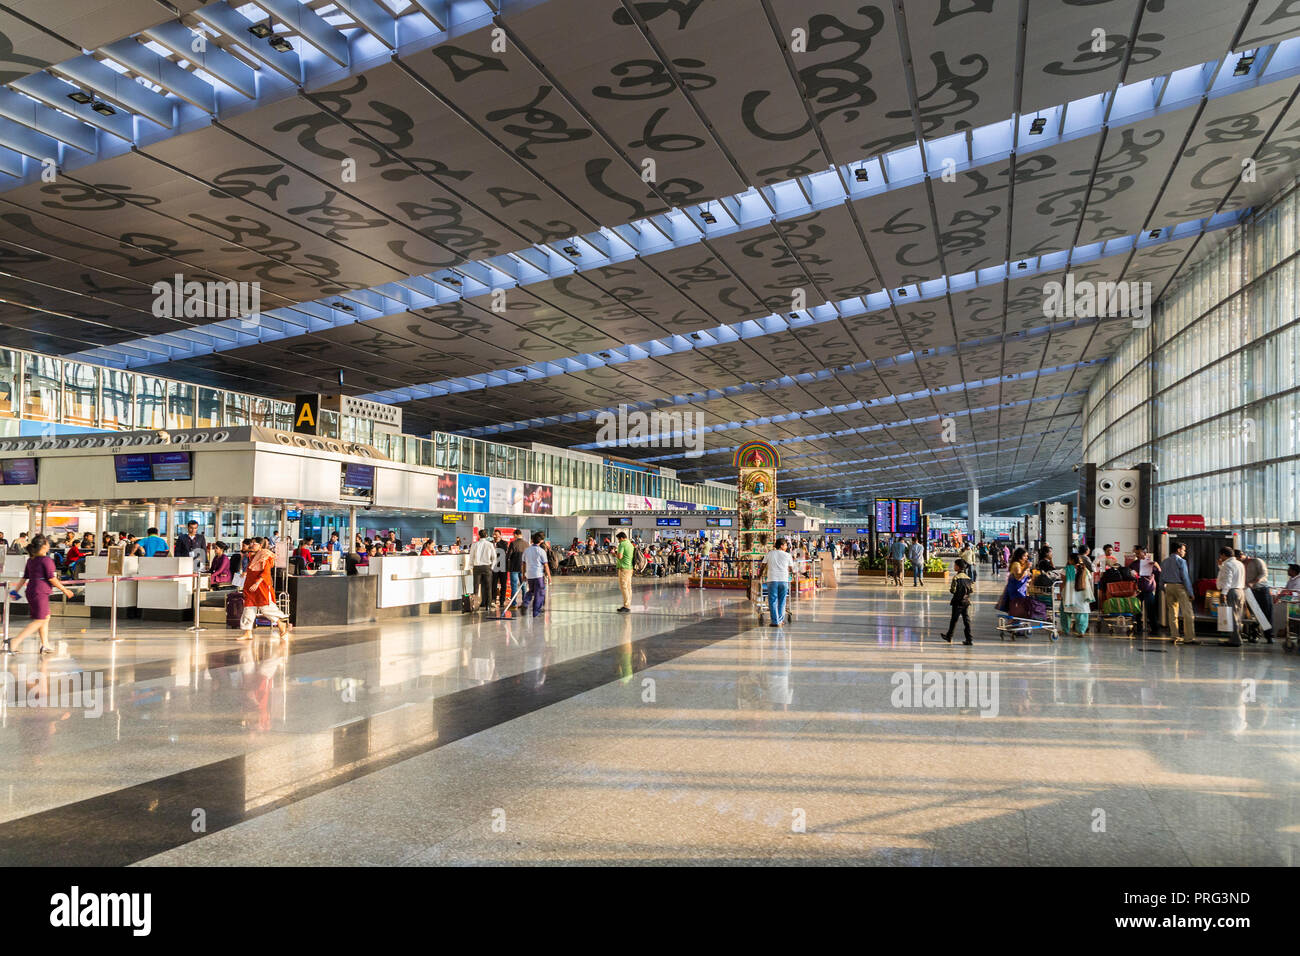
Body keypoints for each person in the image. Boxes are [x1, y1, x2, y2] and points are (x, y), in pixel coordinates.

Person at [5, 535, 74, 655]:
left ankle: (45, 645)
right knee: (40, 620)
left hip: (32, 590)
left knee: (45, 617)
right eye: (47, 543)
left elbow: (24, 577)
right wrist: (65, 590)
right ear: (43, 546)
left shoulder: (31, 560)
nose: (49, 545)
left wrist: (15, 591)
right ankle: (15, 641)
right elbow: (51, 578)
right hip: (40, 591)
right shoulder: (46, 560)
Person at [239, 537, 290, 642]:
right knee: (248, 608)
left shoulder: (265, 556)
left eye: (255, 543)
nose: (252, 545)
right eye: (252, 543)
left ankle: (281, 623)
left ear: (260, 545)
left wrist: (257, 583)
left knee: (266, 608)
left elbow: (266, 572)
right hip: (250, 586)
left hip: (261, 586)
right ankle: (247, 632)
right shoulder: (252, 556)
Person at [1163, 542, 1198, 644]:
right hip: (1180, 587)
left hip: (1168, 587)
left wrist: (1163, 588)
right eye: (1183, 550)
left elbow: (1161, 577)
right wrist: (1191, 592)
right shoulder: (1181, 561)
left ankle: (1174, 636)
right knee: (1188, 613)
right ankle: (1189, 638)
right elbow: (1185, 578)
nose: (1184, 552)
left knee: (1172, 613)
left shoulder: (1165, 561)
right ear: (1178, 550)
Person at [759, 537, 795, 627]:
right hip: (783, 580)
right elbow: (791, 569)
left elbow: (763, 565)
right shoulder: (787, 555)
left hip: (772, 580)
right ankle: (780, 620)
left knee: (773, 600)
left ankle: (775, 621)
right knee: (782, 601)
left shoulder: (770, 554)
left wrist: (759, 575)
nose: (786, 547)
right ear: (782, 545)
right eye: (786, 545)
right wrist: (791, 574)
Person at [1127, 545, 1161, 635]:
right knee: (1137, 610)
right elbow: (1128, 574)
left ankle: (1154, 629)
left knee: (1151, 611)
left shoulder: (1151, 563)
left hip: (1149, 589)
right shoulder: (1134, 564)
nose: (1137, 555)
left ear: (1144, 553)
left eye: (1138, 553)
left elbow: (1159, 573)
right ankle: (1138, 628)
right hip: (1138, 590)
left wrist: (1157, 566)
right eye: (1136, 553)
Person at [1215, 546, 1245, 647]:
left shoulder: (1227, 564)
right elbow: (1229, 575)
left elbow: (1228, 580)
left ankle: (1236, 640)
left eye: (1221, 555)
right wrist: (1220, 566)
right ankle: (1235, 637)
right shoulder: (1239, 563)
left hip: (1231, 592)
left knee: (1232, 617)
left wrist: (1224, 593)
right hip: (1240, 591)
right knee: (1238, 616)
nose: (1220, 557)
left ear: (1223, 555)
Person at [1242, 549, 1273, 644]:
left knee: (1266, 613)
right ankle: (1254, 635)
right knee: (1252, 614)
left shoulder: (1257, 561)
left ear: (1243, 555)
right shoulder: (1240, 564)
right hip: (1249, 591)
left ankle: (1269, 636)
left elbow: (1264, 574)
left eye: (1239, 557)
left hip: (1261, 590)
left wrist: (1253, 582)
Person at [940, 558, 974, 644]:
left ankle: (949, 636)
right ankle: (969, 639)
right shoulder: (969, 578)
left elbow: (953, 590)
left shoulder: (956, 577)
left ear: (958, 567)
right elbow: (971, 590)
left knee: (954, 619)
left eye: (955, 565)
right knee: (966, 620)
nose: (954, 566)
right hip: (966, 602)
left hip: (957, 602)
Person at [1061, 550, 1094, 637]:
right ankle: (1081, 631)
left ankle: (1066, 630)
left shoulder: (1067, 569)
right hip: (1082, 594)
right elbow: (1089, 580)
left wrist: (1060, 592)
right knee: (1082, 613)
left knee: (1065, 613)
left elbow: (1063, 583)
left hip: (1069, 595)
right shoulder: (1085, 569)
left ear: (1071, 560)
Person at [522, 531, 549, 618]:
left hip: (529, 574)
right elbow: (545, 565)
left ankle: (525, 602)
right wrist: (549, 576)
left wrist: (524, 575)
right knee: (539, 593)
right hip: (538, 575)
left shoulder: (526, 550)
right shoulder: (541, 551)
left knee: (531, 591)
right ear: (540, 541)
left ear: (532, 540)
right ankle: (536, 612)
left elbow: (523, 564)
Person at [470, 530, 496, 611]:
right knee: (488, 587)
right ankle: (487, 606)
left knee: (476, 588)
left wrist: (471, 567)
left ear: (479, 536)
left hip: (477, 567)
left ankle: (475, 606)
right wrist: (491, 567)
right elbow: (494, 557)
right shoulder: (490, 544)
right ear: (487, 536)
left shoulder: (474, 545)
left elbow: (471, 557)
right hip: (486, 567)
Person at [615, 531, 635, 612]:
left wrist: (614, 554)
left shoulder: (622, 544)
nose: (618, 541)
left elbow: (620, 556)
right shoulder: (630, 544)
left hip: (623, 568)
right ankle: (628, 604)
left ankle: (626, 606)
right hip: (630, 568)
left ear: (621, 538)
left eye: (618, 539)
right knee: (628, 587)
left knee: (624, 587)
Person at [492, 533, 508, 608]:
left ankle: (502, 601)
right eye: (494, 534)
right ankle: (493, 600)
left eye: (497, 535)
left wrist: (497, 542)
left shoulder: (504, 543)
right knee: (493, 584)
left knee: (503, 584)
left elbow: (503, 549)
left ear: (500, 535)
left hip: (502, 566)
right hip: (494, 566)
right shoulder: (490, 543)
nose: (496, 536)